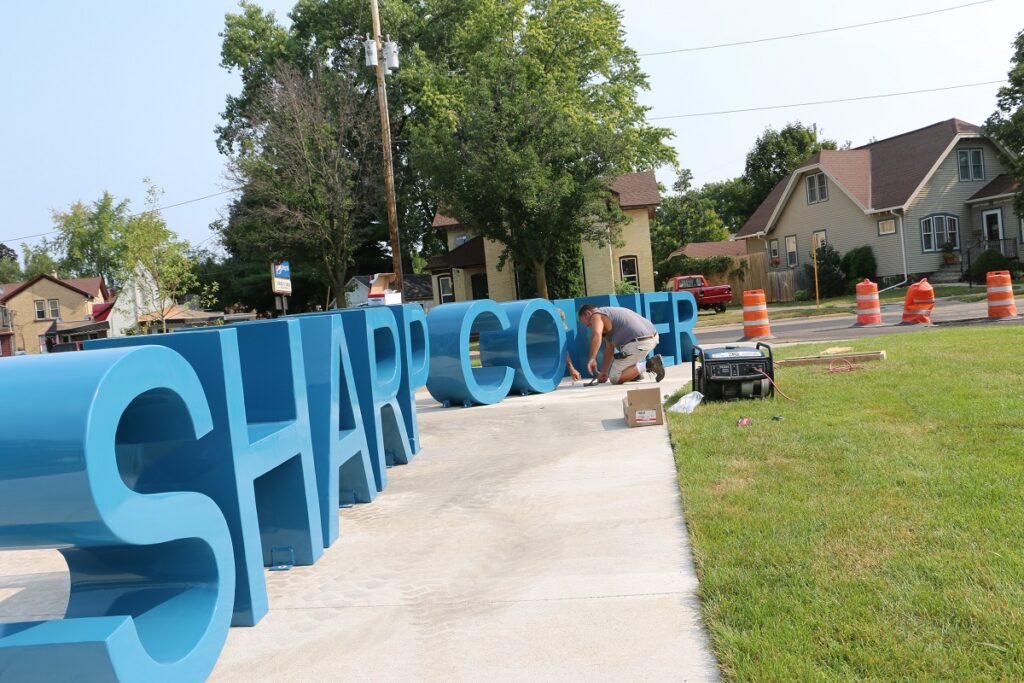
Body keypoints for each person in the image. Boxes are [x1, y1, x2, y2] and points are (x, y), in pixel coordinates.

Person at [577, 304, 665, 384]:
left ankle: (650, 364)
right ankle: (634, 373)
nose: (590, 326)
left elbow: (596, 333)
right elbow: (609, 349)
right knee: (621, 363)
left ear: (588, 313)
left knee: (614, 378)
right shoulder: (608, 315)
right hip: (652, 337)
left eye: (589, 325)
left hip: (639, 342)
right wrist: (604, 372)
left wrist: (592, 359)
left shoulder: (596, 315)